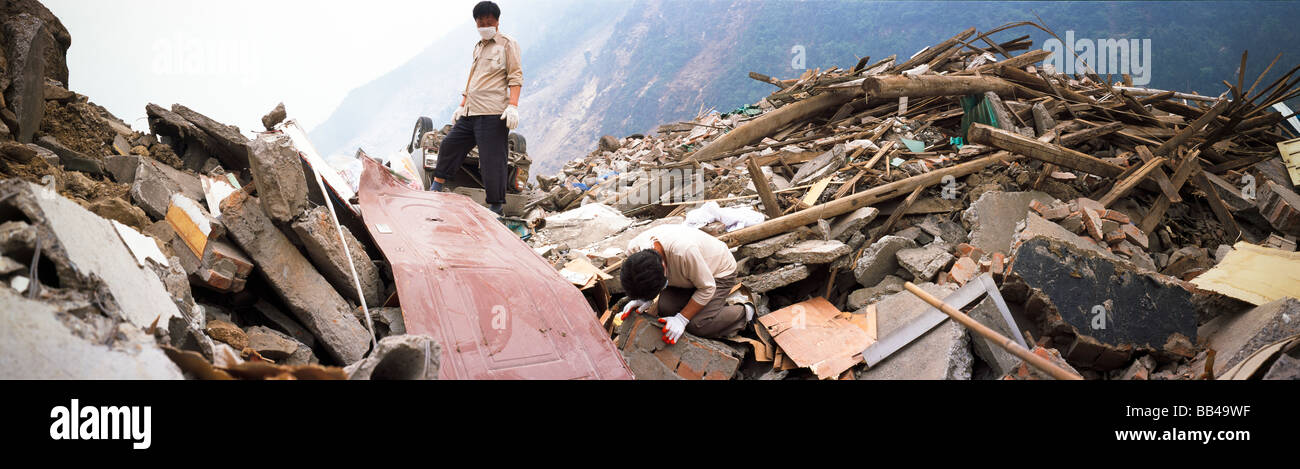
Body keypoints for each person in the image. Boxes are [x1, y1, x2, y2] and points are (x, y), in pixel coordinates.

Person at [428, 1, 522, 216]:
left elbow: (515, 75)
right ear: (476, 23)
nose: (485, 25)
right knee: (449, 145)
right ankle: (436, 187)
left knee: (492, 161)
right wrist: (462, 105)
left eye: (489, 21)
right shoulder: (478, 46)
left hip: (492, 113)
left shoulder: (507, 44)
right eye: (481, 22)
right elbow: (473, 79)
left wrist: (513, 106)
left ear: (497, 22)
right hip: (471, 111)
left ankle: (496, 207)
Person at [619, 224, 755, 344]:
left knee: (697, 325)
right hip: (687, 276)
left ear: (664, 267)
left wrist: (682, 319)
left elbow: (707, 288)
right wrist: (642, 298)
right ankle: (712, 306)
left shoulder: (683, 252)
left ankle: (745, 310)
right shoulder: (634, 250)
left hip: (716, 273)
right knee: (665, 309)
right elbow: (638, 276)